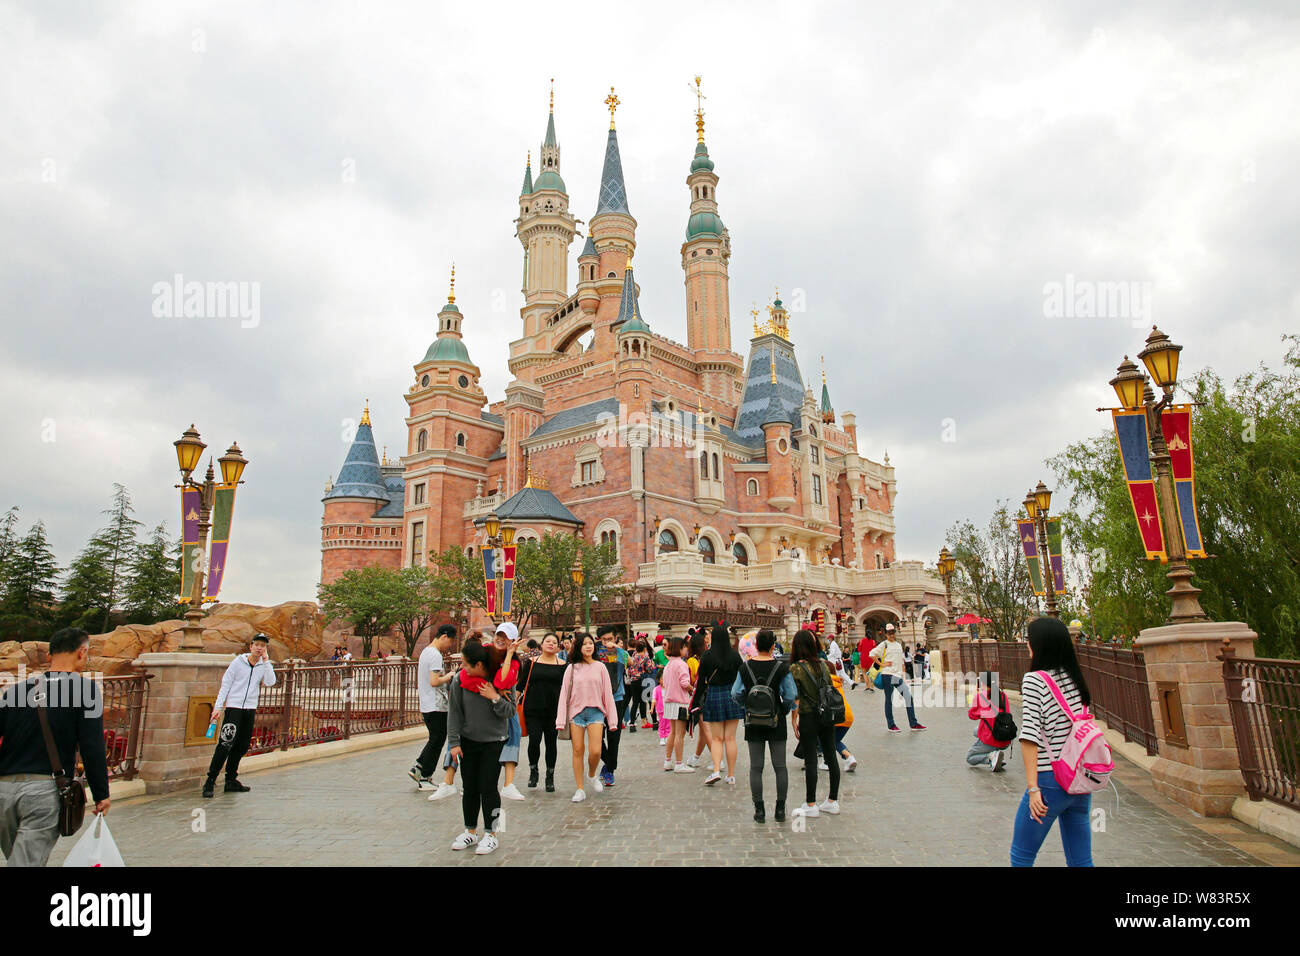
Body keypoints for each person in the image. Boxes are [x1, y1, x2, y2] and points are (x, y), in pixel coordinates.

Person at [0, 627, 110, 867]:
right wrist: (101, 793)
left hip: (4, 792)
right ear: (82, 653)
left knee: (20, 861)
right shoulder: (85, 690)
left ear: (49, 656)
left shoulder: (16, 690)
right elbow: (92, 746)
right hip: (43, 793)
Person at [1012, 617, 1094, 867]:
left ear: (1039, 645)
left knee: (1022, 857)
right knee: (1081, 861)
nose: (1027, 644)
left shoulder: (1035, 680)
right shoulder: (1074, 678)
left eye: (1029, 640)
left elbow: (1029, 736)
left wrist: (1033, 788)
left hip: (1049, 781)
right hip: (1079, 780)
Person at [446, 641, 514, 856]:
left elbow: (510, 711)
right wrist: (454, 743)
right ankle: (470, 830)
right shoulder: (460, 681)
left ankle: (492, 833)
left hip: (494, 740)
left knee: (488, 787)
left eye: (466, 664)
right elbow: (454, 712)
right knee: (470, 787)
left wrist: (494, 697)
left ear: (478, 665)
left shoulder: (502, 679)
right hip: (468, 740)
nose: (462, 668)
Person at [730, 628, 796, 823]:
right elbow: (791, 694)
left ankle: (759, 810)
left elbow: (735, 693)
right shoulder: (782, 668)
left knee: (756, 767)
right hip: (776, 720)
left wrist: (746, 705)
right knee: (780, 766)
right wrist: (783, 709)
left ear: (756, 646)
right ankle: (780, 809)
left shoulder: (745, 668)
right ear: (774, 646)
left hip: (753, 721)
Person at [203, 632, 278, 797]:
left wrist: (266, 661)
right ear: (251, 646)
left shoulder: (262, 665)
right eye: (257, 645)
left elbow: (271, 682)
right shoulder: (238, 662)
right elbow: (226, 684)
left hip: (249, 709)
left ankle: (231, 780)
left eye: (263, 646)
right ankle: (210, 781)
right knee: (225, 744)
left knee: (242, 745)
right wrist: (218, 707)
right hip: (234, 708)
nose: (259, 648)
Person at [555, 633, 617, 802]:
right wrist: (561, 720)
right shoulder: (572, 668)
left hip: (596, 711)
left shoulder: (600, 667)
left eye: (591, 643)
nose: (589, 646)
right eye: (585, 644)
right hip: (576, 713)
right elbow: (564, 695)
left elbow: (608, 695)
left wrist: (612, 720)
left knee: (596, 751)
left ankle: (591, 774)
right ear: (579, 648)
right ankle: (580, 788)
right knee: (577, 751)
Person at [788, 629, 841, 818]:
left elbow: (794, 697)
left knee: (811, 759)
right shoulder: (824, 665)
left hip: (808, 716)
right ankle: (832, 801)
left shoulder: (795, 668)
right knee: (830, 756)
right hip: (827, 715)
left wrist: (794, 719)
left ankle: (811, 803)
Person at [409, 624, 457, 789]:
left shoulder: (425, 652)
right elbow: (434, 681)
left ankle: (420, 768)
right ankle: (424, 774)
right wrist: (449, 676)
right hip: (436, 705)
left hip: (427, 703)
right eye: (450, 642)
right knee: (438, 738)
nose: (449, 645)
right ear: (444, 636)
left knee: (435, 738)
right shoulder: (435, 655)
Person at [518, 633, 565, 792]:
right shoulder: (531, 663)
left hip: (553, 710)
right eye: (548, 641)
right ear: (542, 644)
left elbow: (567, 689)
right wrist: (512, 703)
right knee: (534, 741)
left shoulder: (563, 664)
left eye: (554, 642)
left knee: (551, 743)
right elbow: (521, 685)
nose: (551, 644)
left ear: (558, 646)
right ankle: (533, 770)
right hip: (533, 708)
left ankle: (550, 776)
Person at [699, 624, 744, 786]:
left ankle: (716, 770)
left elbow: (701, 683)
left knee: (717, 738)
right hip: (732, 696)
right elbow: (741, 678)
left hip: (715, 694)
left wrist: (697, 702)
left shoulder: (706, 656)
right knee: (730, 738)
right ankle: (731, 775)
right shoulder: (735, 656)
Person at [487, 622, 526, 801]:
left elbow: (503, 682)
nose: (500, 640)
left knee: (513, 735)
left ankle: (508, 784)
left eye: (505, 637)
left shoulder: (515, 662)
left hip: (505, 708)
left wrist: (509, 654)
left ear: (512, 640)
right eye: (498, 635)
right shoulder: (486, 651)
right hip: (485, 707)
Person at [868, 624, 926, 733]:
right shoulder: (884, 644)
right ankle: (891, 725)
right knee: (889, 700)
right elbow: (871, 654)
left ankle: (913, 723)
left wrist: (903, 673)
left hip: (897, 676)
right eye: (889, 633)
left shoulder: (898, 645)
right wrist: (881, 664)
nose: (892, 635)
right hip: (887, 674)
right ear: (886, 634)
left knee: (908, 697)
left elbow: (900, 660)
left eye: (893, 633)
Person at [596, 625, 629, 788]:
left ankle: (610, 770)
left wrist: (616, 648)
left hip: (616, 698)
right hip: (597, 699)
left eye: (610, 639)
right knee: (596, 736)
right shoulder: (595, 653)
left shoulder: (617, 652)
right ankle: (608, 762)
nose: (607, 642)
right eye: (604, 639)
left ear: (616, 638)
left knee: (613, 735)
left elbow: (630, 662)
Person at [660, 637, 694, 773]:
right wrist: (692, 689)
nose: (686, 650)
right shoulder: (681, 664)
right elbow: (685, 683)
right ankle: (679, 763)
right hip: (680, 702)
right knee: (680, 734)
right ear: (680, 648)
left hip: (669, 702)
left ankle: (668, 761)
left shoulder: (668, 665)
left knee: (672, 733)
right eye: (685, 647)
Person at [967, 673, 1013, 772]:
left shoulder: (980, 697)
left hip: (992, 738)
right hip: (1005, 737)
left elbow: (972, 715)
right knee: (975, 731)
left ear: (982, 683)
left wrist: (975, 697)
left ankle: (991, 757)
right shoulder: (1002, 695)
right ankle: (996, 754)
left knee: (970, 758)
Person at [624, 638, 654, 730]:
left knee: (635, 702)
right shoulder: (645, 657)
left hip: (633, 681)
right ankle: (646, 722)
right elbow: (649, 669)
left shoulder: (633, 657)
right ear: (644, 648)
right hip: (642, 680)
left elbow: (629, 670)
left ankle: (632, 723)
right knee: (643, 700)